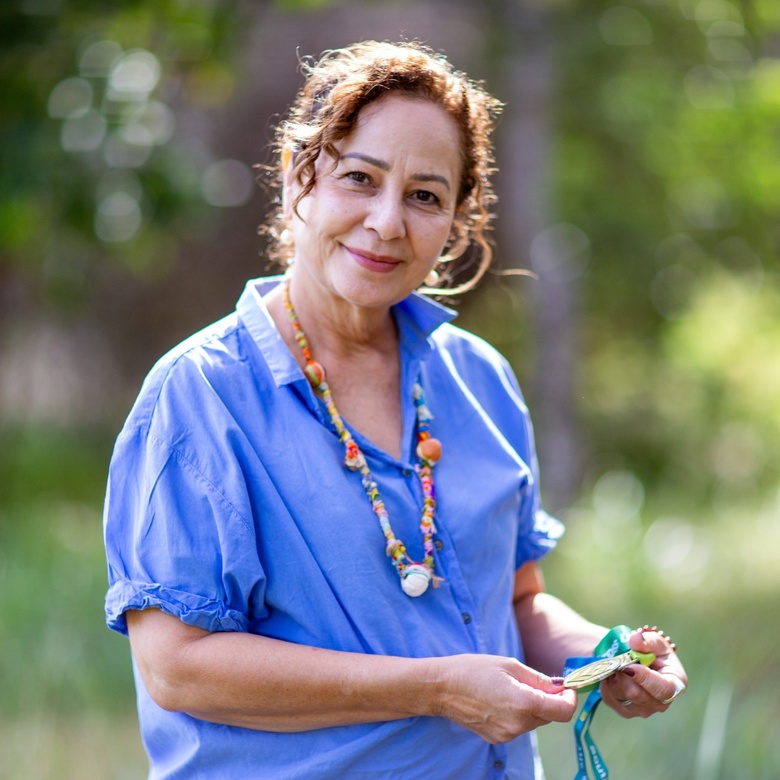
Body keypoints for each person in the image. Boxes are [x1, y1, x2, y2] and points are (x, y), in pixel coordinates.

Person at [103, 40, 688, 780]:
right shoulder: (201, 393)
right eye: (359, 178)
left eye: (424, 195)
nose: (387, 222)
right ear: (296, 183)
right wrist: (436, 689)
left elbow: (515, 603)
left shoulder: (478, 379)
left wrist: (605, 658)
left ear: (456, 222)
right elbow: (179, 669)